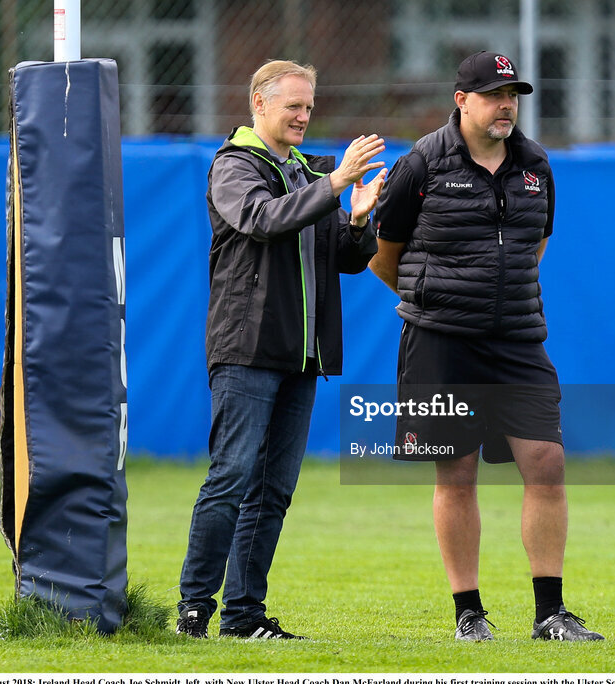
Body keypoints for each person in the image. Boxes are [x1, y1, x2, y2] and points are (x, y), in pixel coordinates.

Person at [369, 51, 603, 643]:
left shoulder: (536, 164)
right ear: (461, 101)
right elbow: (382, 255)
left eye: (513, 96)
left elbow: (535, 245)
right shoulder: (422, 163)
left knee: (547, 462)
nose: (506, 106)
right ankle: (468, 614)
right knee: (457, 471)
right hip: (441, 340)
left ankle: (550, 614)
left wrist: (497, 299)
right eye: (494, 95)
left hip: (517, 339)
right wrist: (436, 297)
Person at [177, 59, 387, 639]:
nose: (303, 116)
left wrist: (358, 221)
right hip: (246, 350)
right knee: (230, 478)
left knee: (273, 491)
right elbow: (262, 220)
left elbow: (346, 260)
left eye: (309, 107)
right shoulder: (234, 165)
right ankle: (194, 609)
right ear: (259, 104)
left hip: (301, 356)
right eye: (293, 105)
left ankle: (244, 616)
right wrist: (335, 185)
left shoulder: (308, 170)